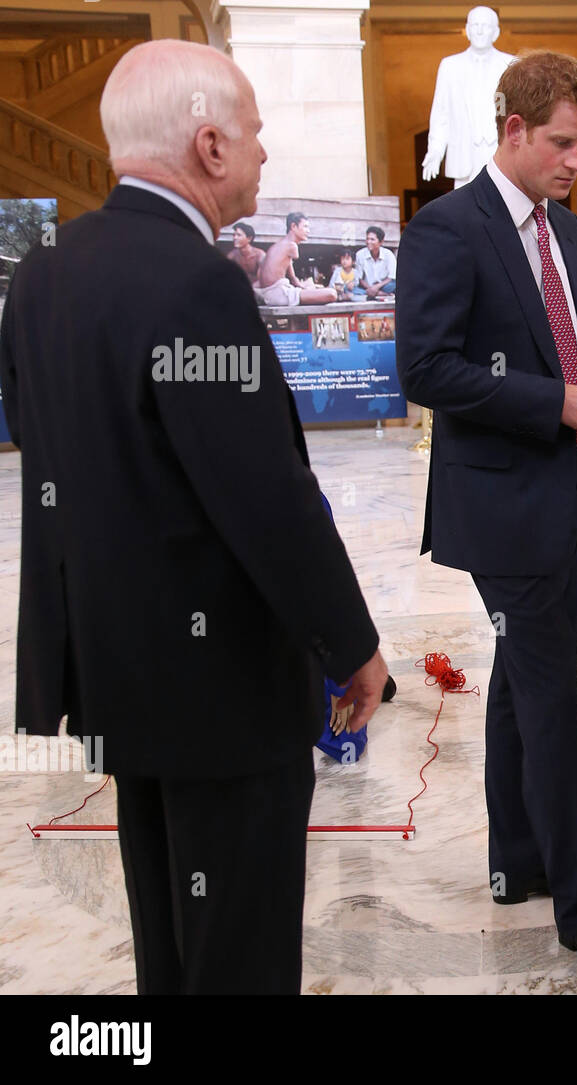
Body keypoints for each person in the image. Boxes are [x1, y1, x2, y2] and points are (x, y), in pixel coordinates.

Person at [0, 39, 390, 994]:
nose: (264, 155)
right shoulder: (200, 284)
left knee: (167, 934)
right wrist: (351, 643)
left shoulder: (43, 275)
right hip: (222, 688)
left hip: (117, 672)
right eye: (255, 134)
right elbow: (265, 498)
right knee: (240, 952)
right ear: (210, 145)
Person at [396, 50, 577, 982]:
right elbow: (425, 369)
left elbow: (562, 332)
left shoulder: (563, 226)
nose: (573, 160)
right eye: (560, 143)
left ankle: (518, 858)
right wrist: (551, 403)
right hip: (504, 503)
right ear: (511, 130)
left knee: (520, 678)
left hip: (564, 490)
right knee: (552, 697)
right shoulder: (446, 229)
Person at [421, 6, 515, 187]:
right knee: (464, 210)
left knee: (501, 207)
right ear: (467, 30)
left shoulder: (509, 64)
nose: (479, 30)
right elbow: (442, 113)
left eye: (485, 26)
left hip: (498, 149)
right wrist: (435, 151)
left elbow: (515, 111)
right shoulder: (450, 66)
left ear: (495, 33)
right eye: (475, 25)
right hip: (464, 154)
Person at [256, 211, 337, 306]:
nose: (308, 231)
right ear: (293, 226)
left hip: (272, 294)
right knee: (332, 293)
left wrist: (304, 287)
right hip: (279, 294)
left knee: (314, 288)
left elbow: (293, 279)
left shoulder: (280, 244)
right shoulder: (292, 246)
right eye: (305, 226)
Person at [357, 226, 397, 298]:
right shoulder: (360, 254)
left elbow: (391, 277)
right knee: (351, 288)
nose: (369, 242)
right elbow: (359, 279)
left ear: (381, 242)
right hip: (367, 287)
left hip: (384, 286)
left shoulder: (388, 254)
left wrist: (376, 287)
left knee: (396, 284)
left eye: (372, 239)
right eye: (367, 239)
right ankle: (382, 294)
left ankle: (374, 293)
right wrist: (370, 288)